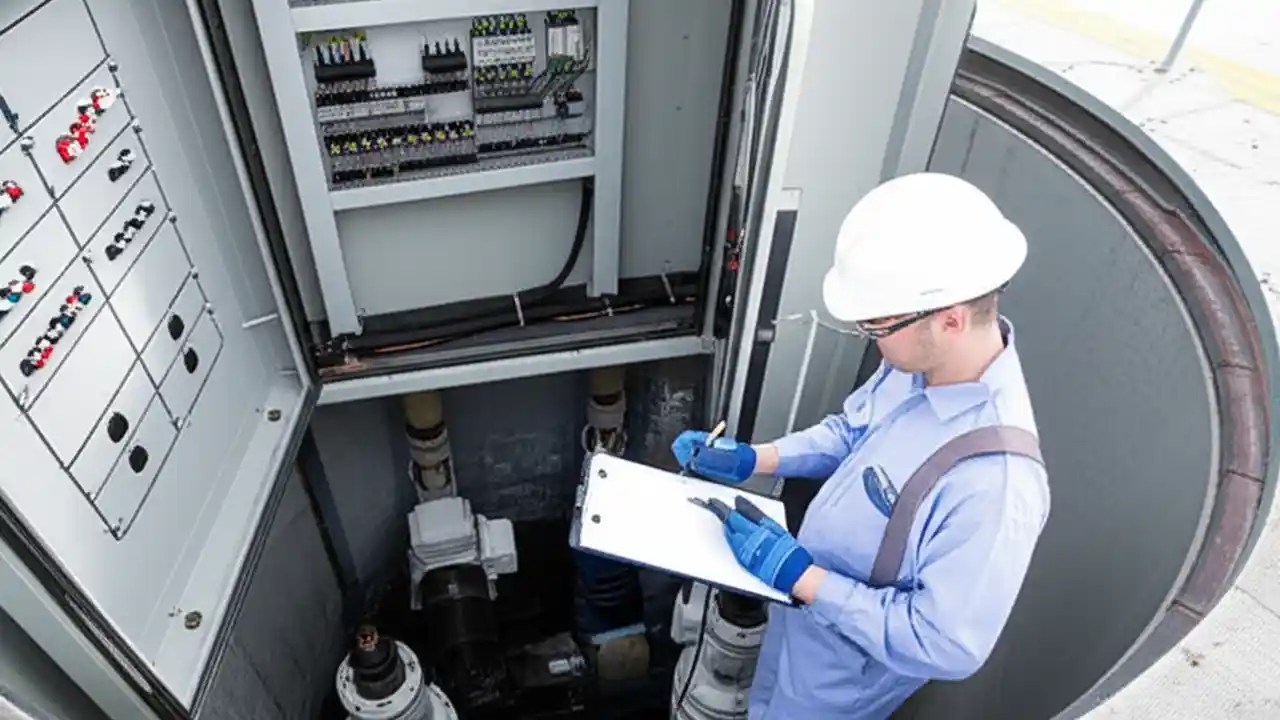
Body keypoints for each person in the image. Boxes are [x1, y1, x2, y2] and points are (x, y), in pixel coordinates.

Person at [671, 172, 1051, 718]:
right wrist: (757, 457)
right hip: (797, 627)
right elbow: (851, 431)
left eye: (877, 326)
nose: (872, 340)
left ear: (949, 320)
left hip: (840, 684)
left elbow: (945, 643)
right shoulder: (920, 363)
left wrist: (800, 576)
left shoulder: (995, 482)